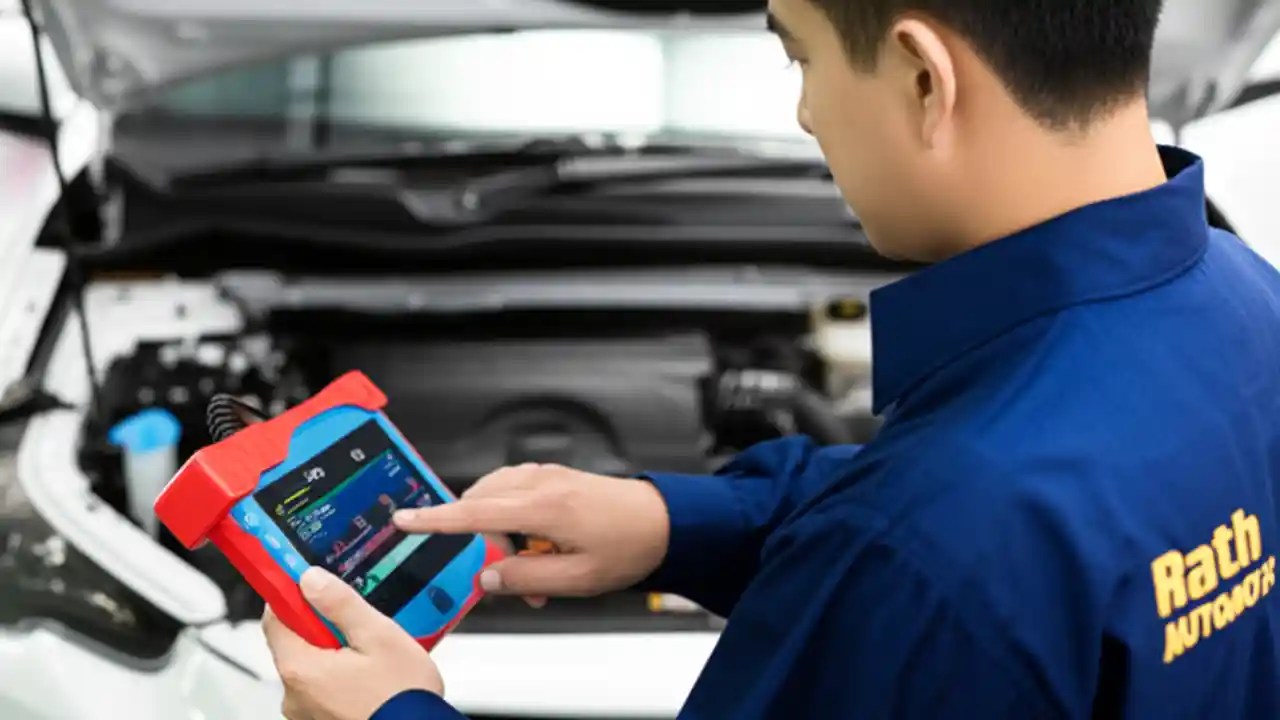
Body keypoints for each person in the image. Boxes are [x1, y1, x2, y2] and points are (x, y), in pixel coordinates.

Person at [261, 0, 1280, 717]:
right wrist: (676, 524)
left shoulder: (932, 543)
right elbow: (1050, 521)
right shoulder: (1247, 300)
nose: (802, 114)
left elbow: (943, 536)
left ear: (924, 76)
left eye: (799, 59)